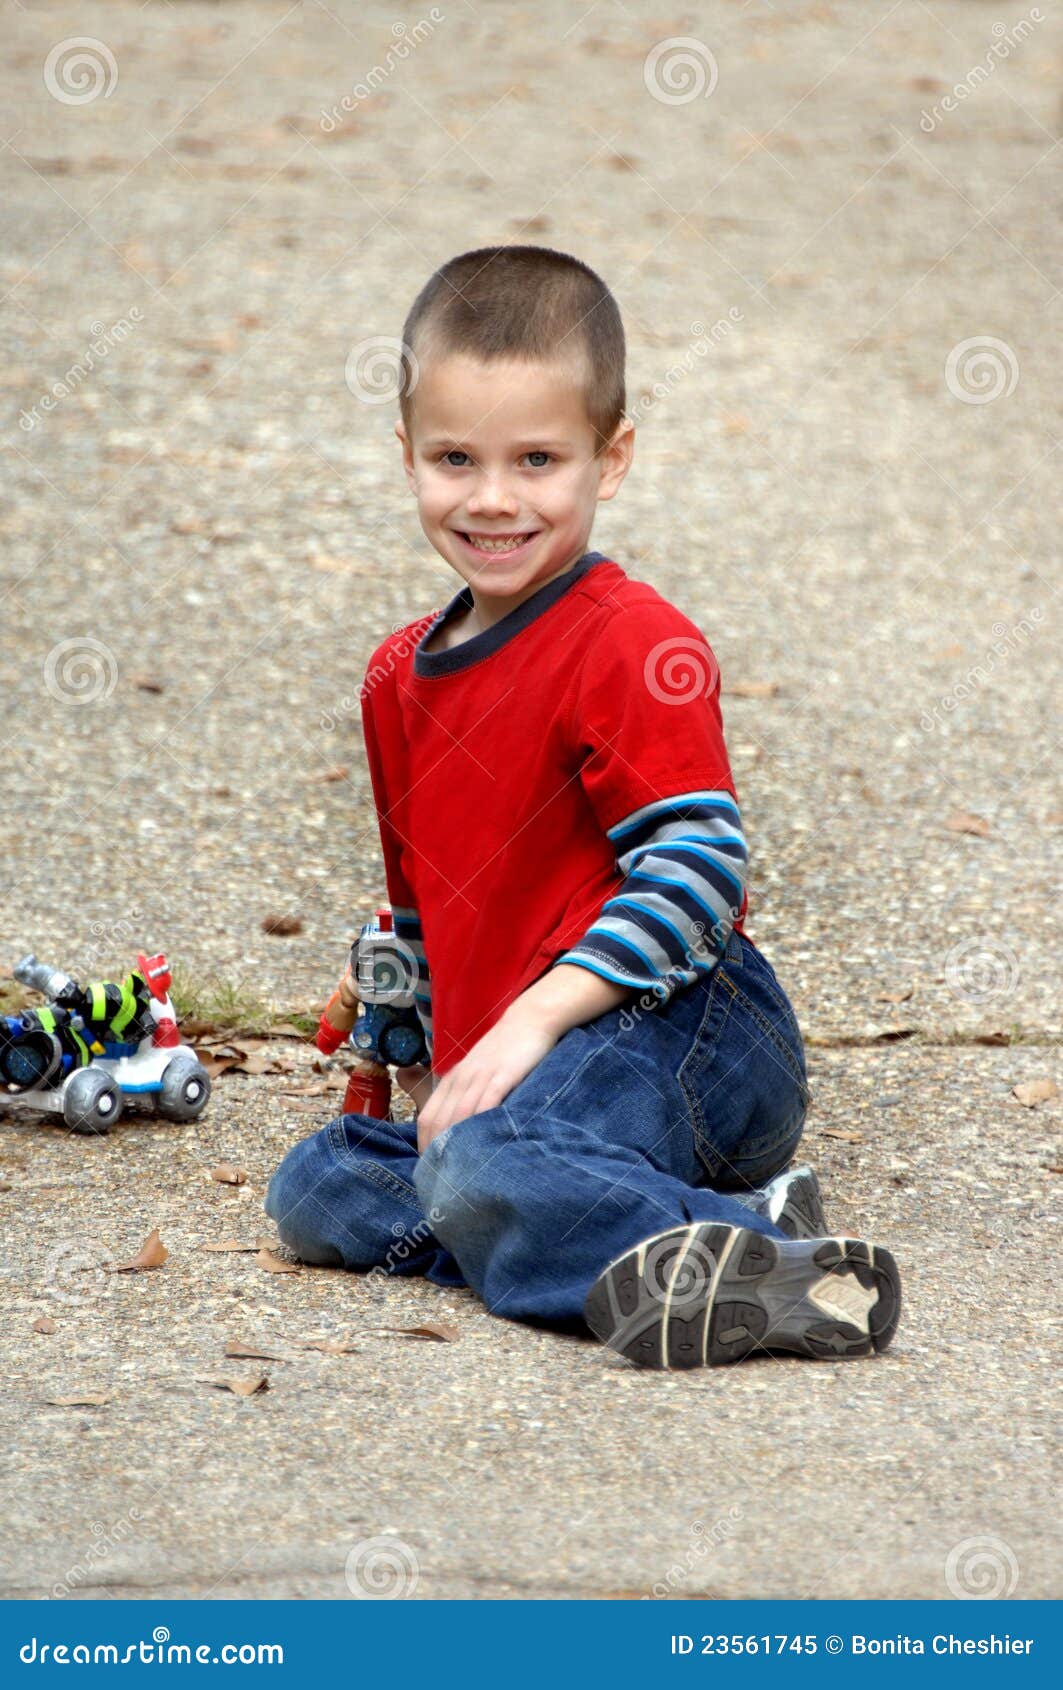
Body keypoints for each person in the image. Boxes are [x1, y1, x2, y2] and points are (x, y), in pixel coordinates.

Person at [265, 245, 901, 1370]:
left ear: (610, 461)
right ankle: (687, 1240)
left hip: (683, 1026)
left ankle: (760, 1257)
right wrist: (418, 1048)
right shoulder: (396, 680)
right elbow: (420, 903)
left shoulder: (629, 643)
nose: (493, 497)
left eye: (538, 459)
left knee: (476, 1167)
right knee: (320, 1185)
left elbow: (697, 878)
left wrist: (529, 1021)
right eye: (454, 456)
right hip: (537, 1073)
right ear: (404, 453)